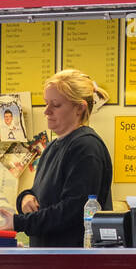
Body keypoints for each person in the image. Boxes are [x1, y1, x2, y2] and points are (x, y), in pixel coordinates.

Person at [13, 69, 112, 247]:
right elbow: (43, 193)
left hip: (74, 259)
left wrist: (19, 223)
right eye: (46, 103)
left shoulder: (86, 147)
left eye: (56, 105)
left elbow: (73, 211)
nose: (46, 111)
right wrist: (26, 198)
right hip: (49, 256)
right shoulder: (52, 146)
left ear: (79, 108)